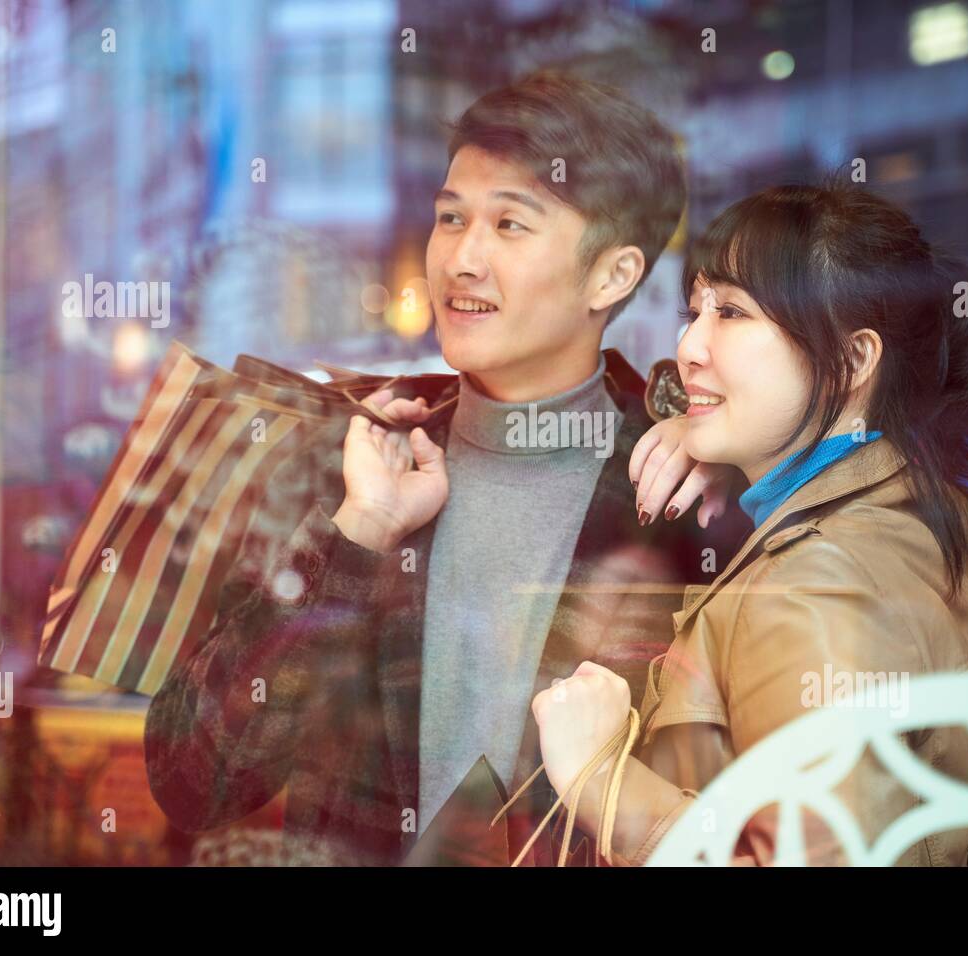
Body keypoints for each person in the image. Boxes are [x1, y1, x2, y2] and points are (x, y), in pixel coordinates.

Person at [143, 71, 746, 866]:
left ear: (613, 275)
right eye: (451, 217)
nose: (462, 257)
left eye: (509, 224)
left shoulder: (681, 491)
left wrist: (721, 448)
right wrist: (357, 535)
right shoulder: (358, 465)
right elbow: (195, 782)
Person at [531, 181, 968, 866]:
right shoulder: (901, 505)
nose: (690, 344)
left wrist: (601, 779)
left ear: (851, 361)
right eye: (694, 310)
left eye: (731, 312)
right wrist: (706, 437)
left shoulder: (816, 582)